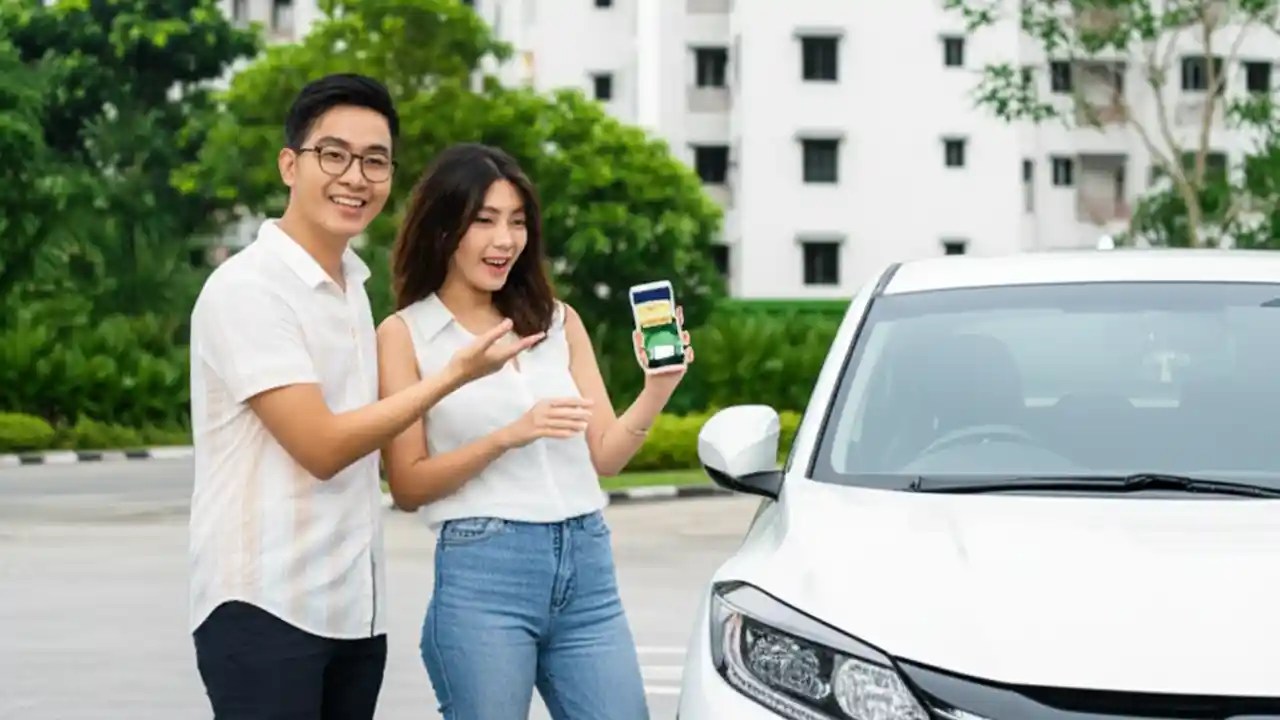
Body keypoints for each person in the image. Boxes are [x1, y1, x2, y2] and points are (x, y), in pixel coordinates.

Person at [186, 76, 541, 719]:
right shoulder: (249, 290)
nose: (356, 176)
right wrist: (454, 375)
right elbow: (321, 446)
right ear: (290, 164)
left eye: (375, 161)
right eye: (334, 154)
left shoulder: (352, 286)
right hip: (265, 607)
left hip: (352, 612)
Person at [377, 142, 695, 720]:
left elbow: (606, 456)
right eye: (485, 221)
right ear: (444, 227)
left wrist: (658, 388)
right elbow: (406, 485)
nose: (506, 240)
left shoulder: (557, 320)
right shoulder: (407, 335)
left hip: (587, 568)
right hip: (485, 575)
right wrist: (508, 435)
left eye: (518, 222)